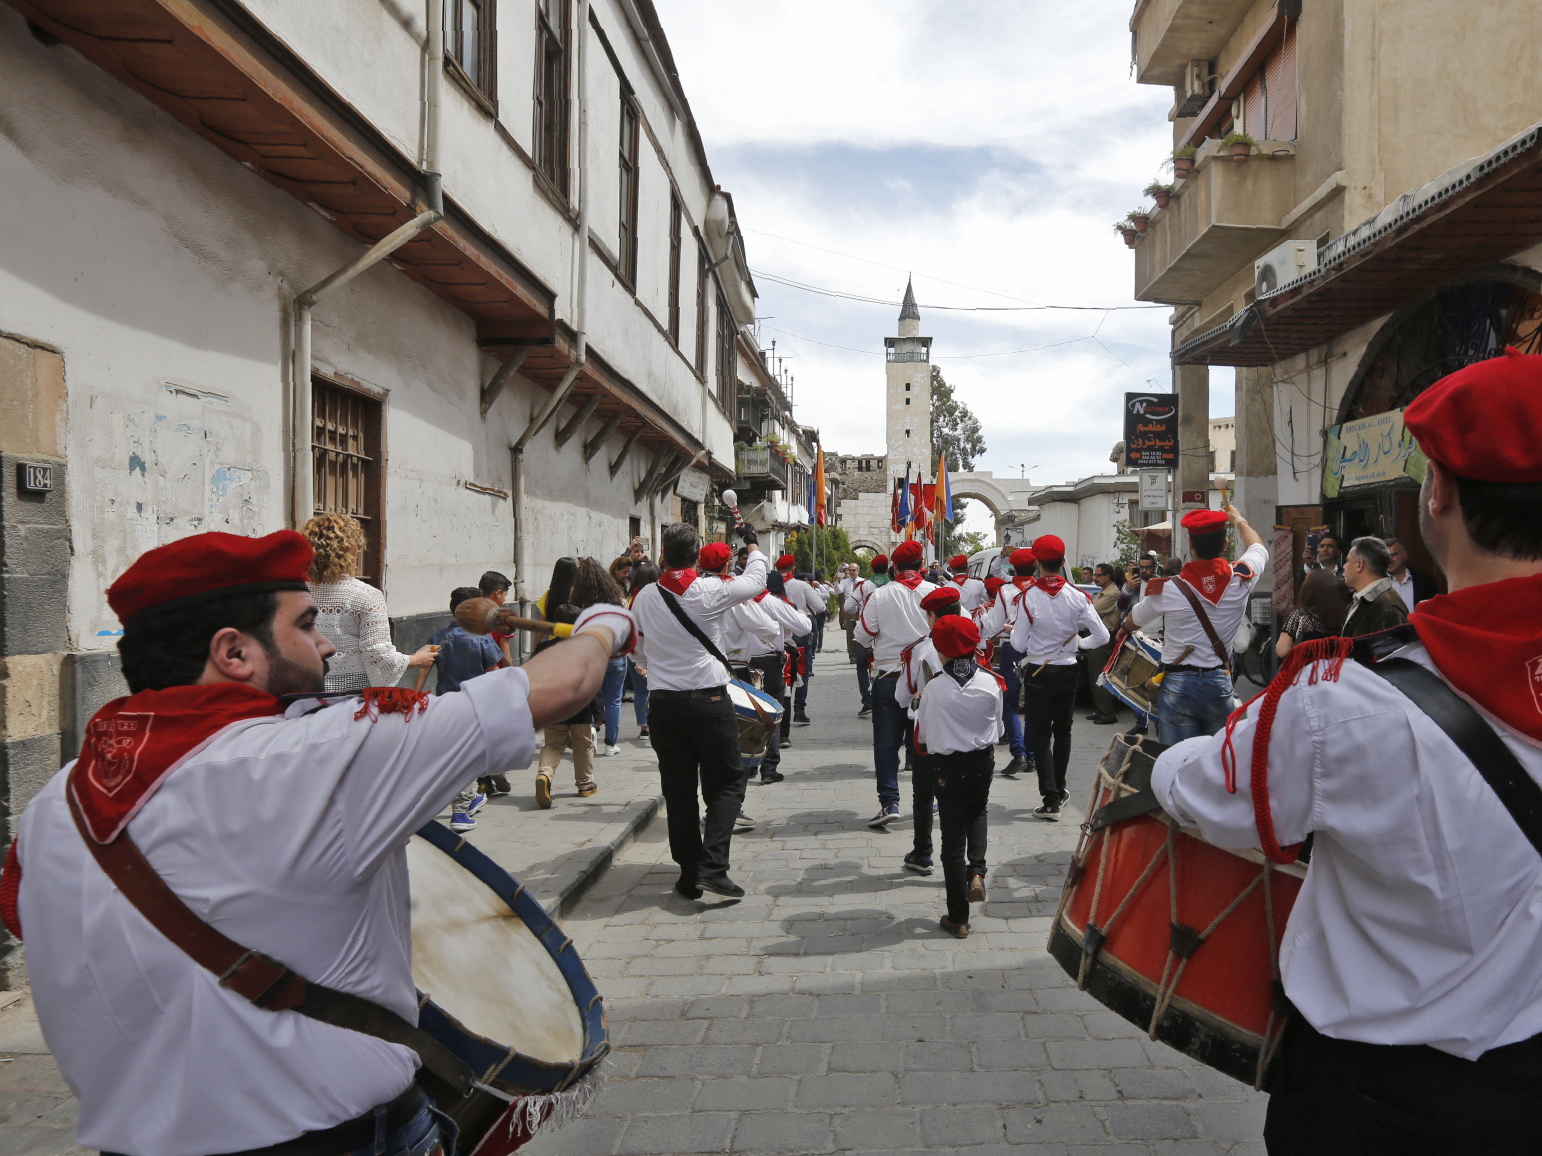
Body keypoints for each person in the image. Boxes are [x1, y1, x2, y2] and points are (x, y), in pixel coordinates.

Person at [3, 528, 628, 1156]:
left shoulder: (53, 805)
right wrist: (607, 624)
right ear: (233, 652)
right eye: (305, 624)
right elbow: (560, 687)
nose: (327, 643)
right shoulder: (318, 757)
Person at [1150, 346, 1542, 1151]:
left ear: (1436, 495)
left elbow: (1197, 790)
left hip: (1375, 1099)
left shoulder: (1342, 702)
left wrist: (1170, 757)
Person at [630, 521, 764, 899]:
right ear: (697, 553)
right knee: (727, 783)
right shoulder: (710, 589)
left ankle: (689, 871)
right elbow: (756, 579)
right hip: (709, 701)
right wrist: (751, 542)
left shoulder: (644, 597)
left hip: (664, 704)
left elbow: (637, 651)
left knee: (679, 789)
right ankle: (713, 864)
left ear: (663, 555)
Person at [898, 614, 1004, 939]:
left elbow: (924, 739)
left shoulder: (934, 689)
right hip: (981, 762)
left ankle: (958, 917)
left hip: (947, 767)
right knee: (979, 810)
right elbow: (998, 729)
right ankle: (978, 871)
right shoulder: (990, 682)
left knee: (952, 840)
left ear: (940, 651)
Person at [1128, 507, 1267, 746]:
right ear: (1224, 544)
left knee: (1177, 764)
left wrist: (1125, 626)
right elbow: (1258, 547)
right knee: (1216, 765)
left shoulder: (1168, 588)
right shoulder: (1242, 578)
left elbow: (1132, 621)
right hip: (1219, 681)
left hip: (1177, 684)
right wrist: (1238, 519)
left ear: (1190, 544)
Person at [1009, 536, 1109, 819]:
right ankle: (1061, 789)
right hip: (1067, 669)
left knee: (1040, 734)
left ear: (1038, 564)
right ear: (1064, 562)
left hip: (1038, 671)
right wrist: (1079, 644)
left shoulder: (1028, 596)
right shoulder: (1078, 596)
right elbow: (1102, 636)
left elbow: (1018, 644)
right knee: (1063, 732)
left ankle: (1050, 797)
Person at [301, 513, 436, 692]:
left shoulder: (295, 592)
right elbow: (377, 654)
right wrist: (416, 659)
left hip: (304, 691)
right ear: (344, 551)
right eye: (355, 546)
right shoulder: (366, 595)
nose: (358, 551)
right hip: (350, 695)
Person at [854, 540, 937, 828]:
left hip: (890, 676)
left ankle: (890, 801)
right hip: (929, 680)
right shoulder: (936, 592)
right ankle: (929, 799)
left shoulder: (880, 595)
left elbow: (863, 635)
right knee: (926, 742)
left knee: (886, 744)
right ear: (921, 566)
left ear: (895, 567)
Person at [413, 586, 503, 830]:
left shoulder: (439, 637)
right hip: (475, 706)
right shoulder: (483, 638)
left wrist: (416, 696)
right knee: (465, 757)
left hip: (446, 706)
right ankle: (460, 813)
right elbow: (494, 672)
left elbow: (424, 668)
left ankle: (470, 796)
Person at [896, 585, 969, 878]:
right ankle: (962, 863)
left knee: (924, 794)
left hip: (927, 731)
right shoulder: (972, 642)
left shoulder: (921, 648)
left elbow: (904, 696)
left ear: (931, 615)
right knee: (960, 798)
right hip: (964, 730)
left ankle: (923, 853)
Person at [742, 568, 811, 784]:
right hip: (769, 662)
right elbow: (804, 628)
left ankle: (748, 765)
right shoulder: (773, 602)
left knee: (746, 716)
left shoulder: (737, 601)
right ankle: (769, 768)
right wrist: (801, 615)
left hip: (741, 663)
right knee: (771, 714)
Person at [975, 546, 1039, 777]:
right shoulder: (1042, 588)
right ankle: (1031, 756)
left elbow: (992, 627)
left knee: (1010, 703)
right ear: (1035, 567)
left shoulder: (1006, 591)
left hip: (1013, 647)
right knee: (1033, 703)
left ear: (1013, 568)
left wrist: (983, 616)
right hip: (1038, 650)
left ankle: (1019, 753)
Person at [778, 556, 823, 726]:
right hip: (799, 629)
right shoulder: (801, 585)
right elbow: (820, 606)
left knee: (781, 670)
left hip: (778, 633)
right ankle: (799, 709)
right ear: (793, 568)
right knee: (803, 669)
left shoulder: (770, 583)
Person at [1342, 536, 1410, 638]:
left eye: (1348, 560)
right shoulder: (1360, 602)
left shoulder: (1387, 607)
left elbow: (1390, 652)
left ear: (1359, 565)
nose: (1344, 566)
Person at [1276, 568, 1350, 659]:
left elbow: (1281, 650)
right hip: (1333, 670)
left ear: (1307, 590)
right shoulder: (1342, 616)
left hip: (1306, 669)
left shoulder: (1299, 615)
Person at [1084, 562, 1125, 724]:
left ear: (1108, 577)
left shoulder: (1112, 593)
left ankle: (1107, 713)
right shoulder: (1105, 592)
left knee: (1101, 676)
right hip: (1097, 638)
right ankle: (1101, 710)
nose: (1095, 578)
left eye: (1098, 575)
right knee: (1095, 676)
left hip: (1103, 639)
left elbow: (1091, 610)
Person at [852, 554, 891, 717]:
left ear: (872, 569)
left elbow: (848, 606)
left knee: (861, 665)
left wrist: (858, 611)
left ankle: (867, 701)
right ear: (888, 569)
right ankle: (885, 701)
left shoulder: (864, 586)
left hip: (867, 629)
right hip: (888, 633)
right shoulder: (894, 585)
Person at [627, 561, 658, 736]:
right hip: (654, 649)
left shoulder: (633, 596)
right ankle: (655, 723)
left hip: (635, 649)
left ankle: (643, 726)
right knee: (655, 689)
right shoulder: (656, 596)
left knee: (640, 690)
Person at [1385, 536, 1437, 611]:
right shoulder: (1377, 583)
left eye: (1394, 555)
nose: (1390, 560)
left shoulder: (1425, 582)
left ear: (1405, 555)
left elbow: (1433, 611)